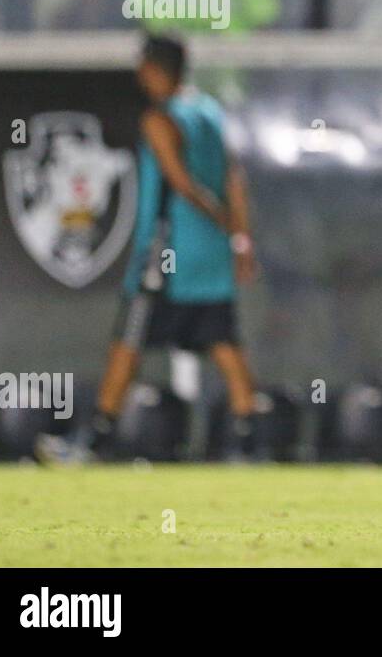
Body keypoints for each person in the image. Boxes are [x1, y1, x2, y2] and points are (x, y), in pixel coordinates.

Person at [37, 35, 260, 463]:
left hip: (167, 254)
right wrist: (239, 235)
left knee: (128, 342)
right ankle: (249, 442)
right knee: (225, 344)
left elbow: (179, 182)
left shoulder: (159, 119)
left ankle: (95, 441)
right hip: (209, 256)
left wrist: (217, 217)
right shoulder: (210, 113)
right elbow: (234, 177)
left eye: (144, 68)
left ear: (157, 70)